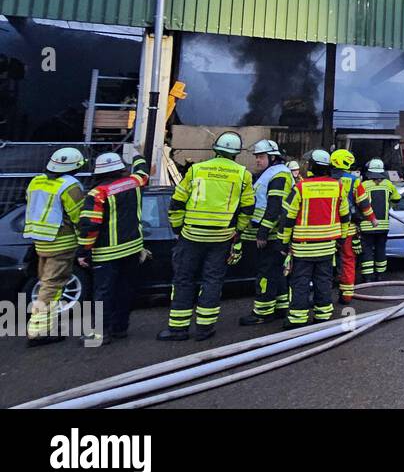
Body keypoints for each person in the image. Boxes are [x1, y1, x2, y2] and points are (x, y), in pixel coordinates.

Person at [158, 131, 254, 341]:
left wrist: (177, 228)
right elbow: (248, 208)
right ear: (236, 154)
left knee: (184, 279)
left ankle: (178, 329)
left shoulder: (195, 170)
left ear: (216, 149)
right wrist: (238, 231)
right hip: (221, 237)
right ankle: (205, 328)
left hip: (191, 235)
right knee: (212, 280)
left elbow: (177, 202)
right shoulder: (242, 174)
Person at [77, 151, 150, 344]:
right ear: (120, 169)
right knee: (125, 290)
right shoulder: (134, 183)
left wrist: (83, 251)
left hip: (106, 252)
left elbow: (90, 225)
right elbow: (143, 172)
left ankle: (100, 333)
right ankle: (120, 328)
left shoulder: (97, 193)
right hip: (133, 248)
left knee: (103, 292)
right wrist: (137, 156)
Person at [22, 147, 86, 346]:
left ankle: (44, 326)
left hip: (39, 240)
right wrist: (85, 241)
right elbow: (78, 216)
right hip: (61, 241)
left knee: (46, 284)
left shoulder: (37, 181)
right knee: (52, 286)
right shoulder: (70, 186)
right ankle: (38, 331)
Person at [282, 149, 349, 327]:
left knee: (300, 282)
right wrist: (342, 238)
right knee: (324, 281)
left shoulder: (300, 188)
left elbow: (288, 217)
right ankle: (323, 315)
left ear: (311, 166)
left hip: (303, 247)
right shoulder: (338, 186)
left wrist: (283, 242)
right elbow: (345, 216)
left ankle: (297, 319)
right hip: (327, 246)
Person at [237, 140, 294, 325]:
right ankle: (280, 307)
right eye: (257, 157)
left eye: (261, 157)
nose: (258, 161)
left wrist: (262, 231)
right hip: (272, 233)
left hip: (270, 234)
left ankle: (262, 313)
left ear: (273, 157)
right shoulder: (271, 174)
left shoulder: (278, 175)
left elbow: (275, 207)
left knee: (265, 273)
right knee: (276, 272)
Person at [329, 149, 376, 304]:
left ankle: (322, 296)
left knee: (324, 262)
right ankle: (346, 295)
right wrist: (372, 219)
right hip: (348, 229)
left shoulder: (325, 179)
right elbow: (364, 203)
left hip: (326, 229)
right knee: (348, 260)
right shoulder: (355, 181)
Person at [359, 158, 401, 284]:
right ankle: (380, 275)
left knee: (366, 251)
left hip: (367, 225)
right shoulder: (388, 184)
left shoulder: (364, 185)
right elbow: (397, 199)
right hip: (383, 225)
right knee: (380, 249)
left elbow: (359, 203)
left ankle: (367, 277)